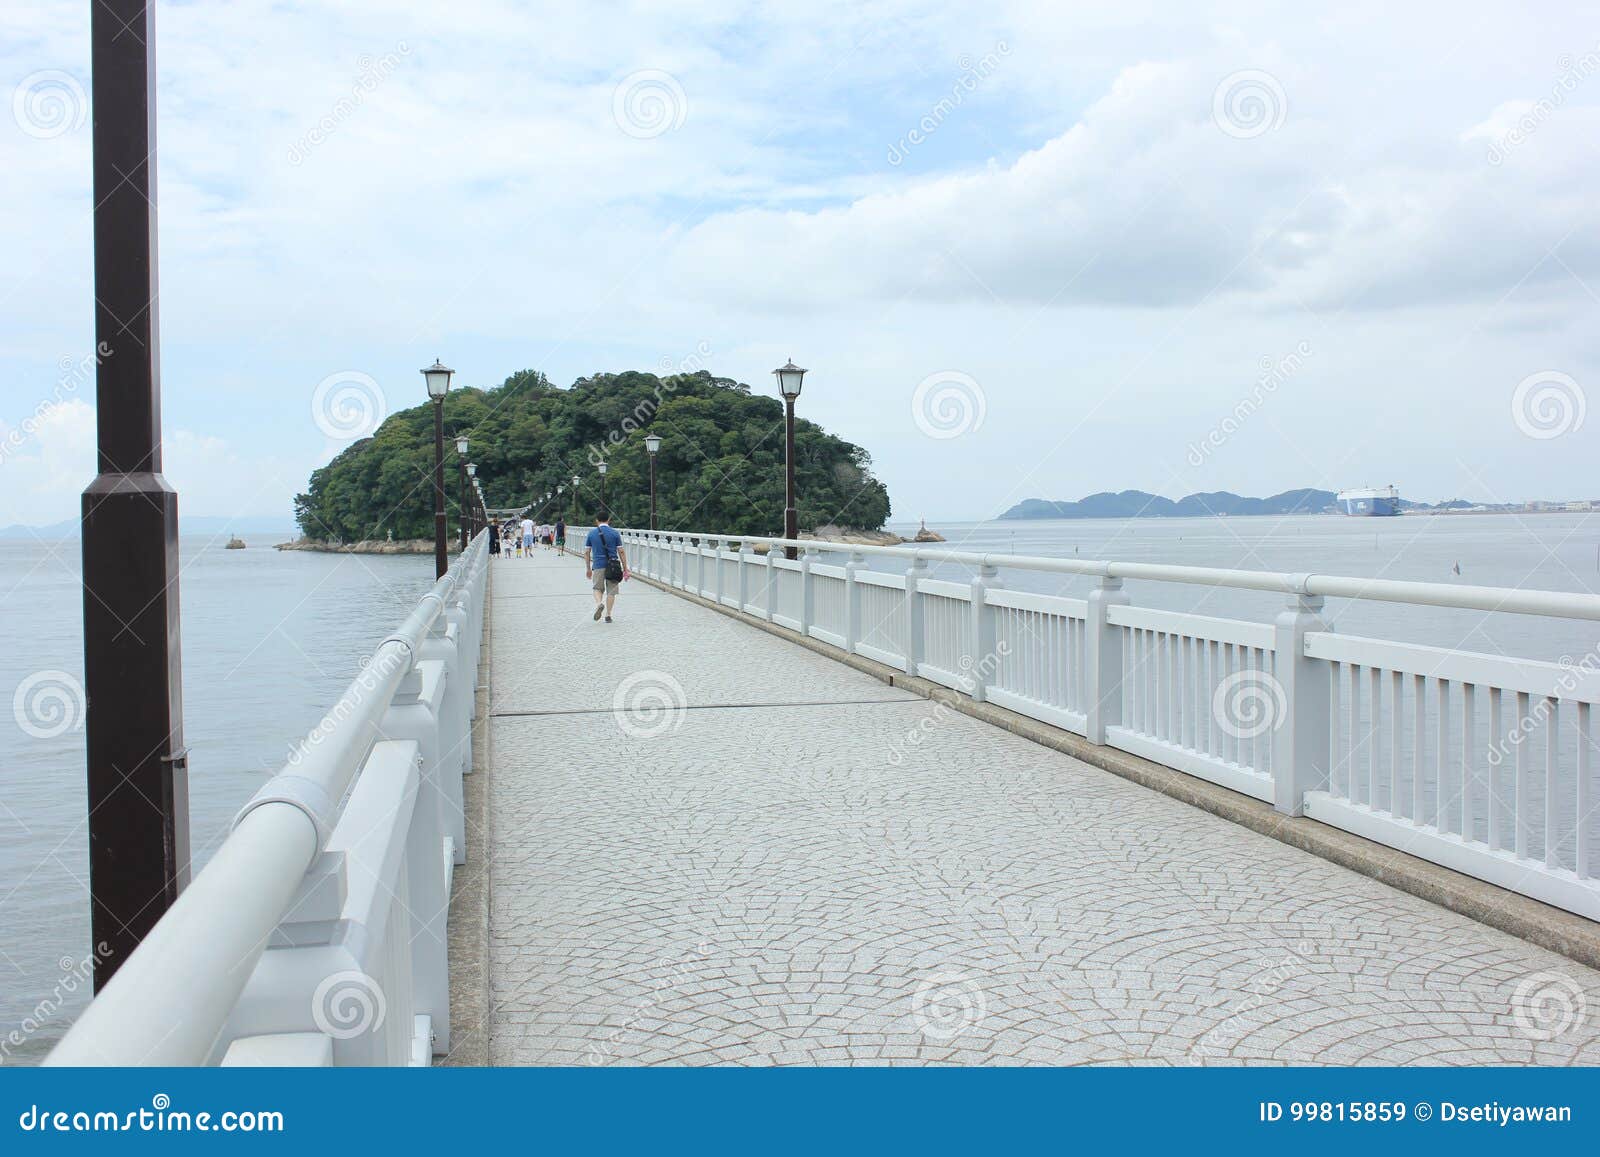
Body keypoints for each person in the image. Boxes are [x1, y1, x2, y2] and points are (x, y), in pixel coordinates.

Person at [583, 509, 627, 623]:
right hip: (613, 565)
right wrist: (625, 568)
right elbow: (621, 551)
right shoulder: (614, 533)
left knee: (597, 588)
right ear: (609, 520)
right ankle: (608, 615)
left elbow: (587, 552)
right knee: (611, 591)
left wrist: (588, 568)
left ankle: (599, 604)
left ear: (596, 521)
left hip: (598, 565)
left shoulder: (591, 533)